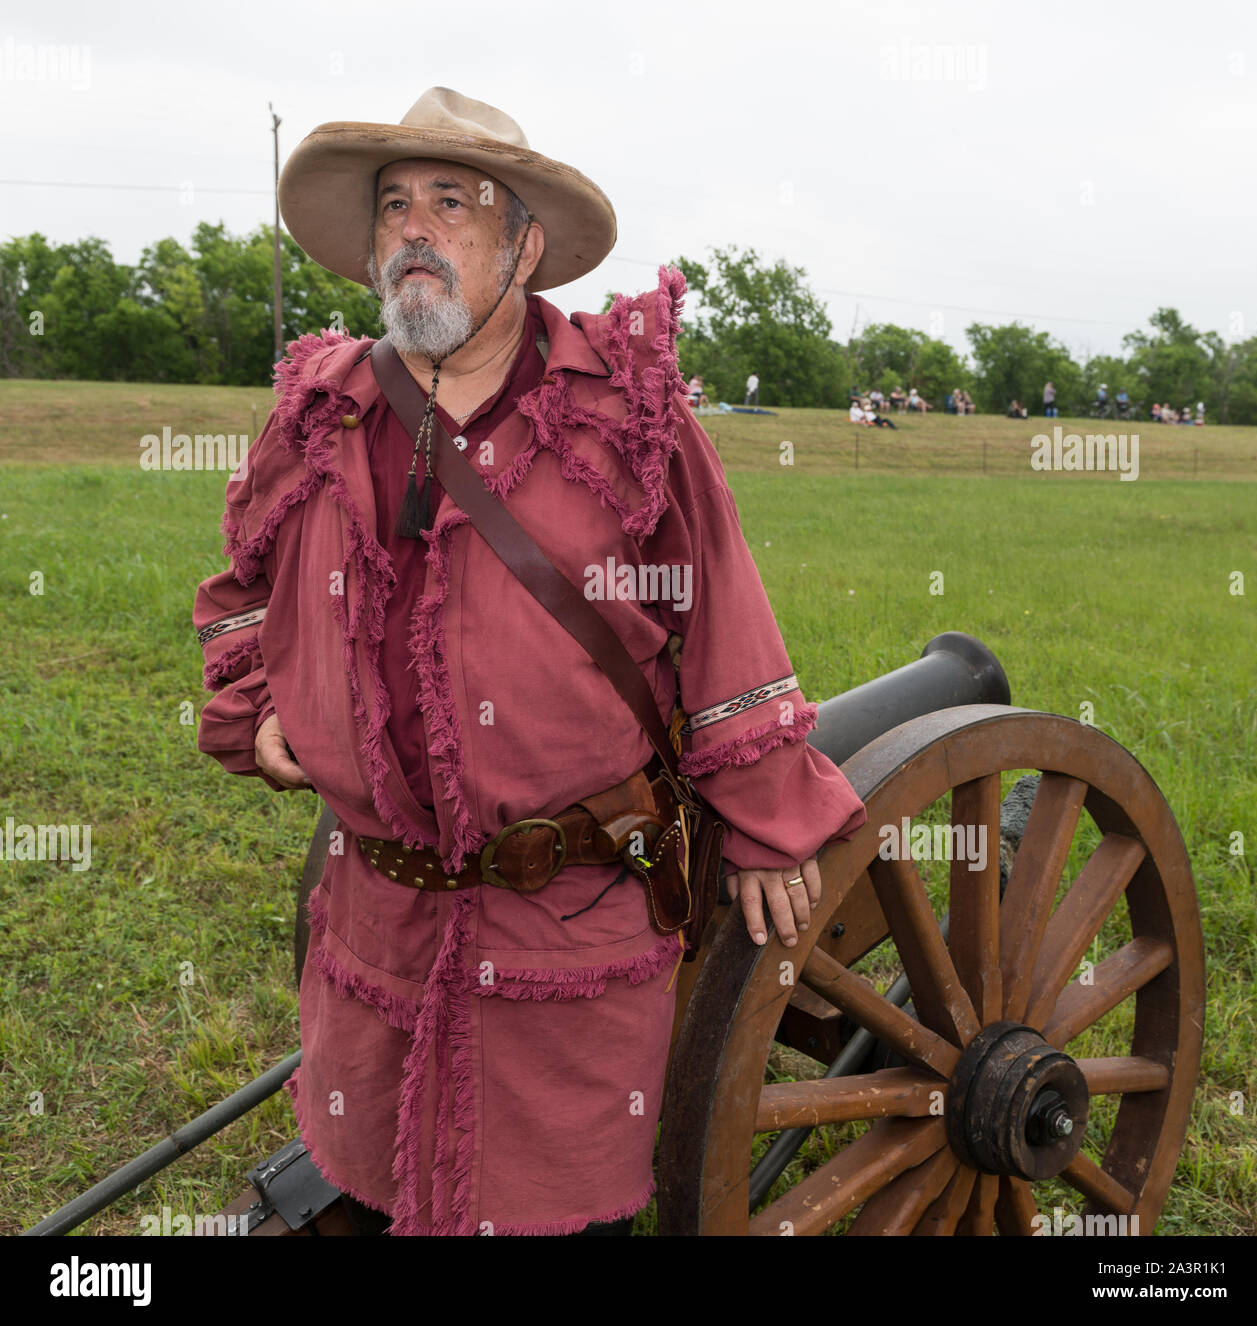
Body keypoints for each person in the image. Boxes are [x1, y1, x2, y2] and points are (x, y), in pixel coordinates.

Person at [191, 87, 866, 1238]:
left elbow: (716, 613)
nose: (416, 229)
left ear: (524, 245)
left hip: (570, 915)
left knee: (560, 1211)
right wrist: (251, 703)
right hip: (380, 915)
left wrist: (763, 815)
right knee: (368, 1181)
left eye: (453, 202)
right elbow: (237, 589)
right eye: (394, 204)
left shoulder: (626, 413)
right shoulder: (317, 413)